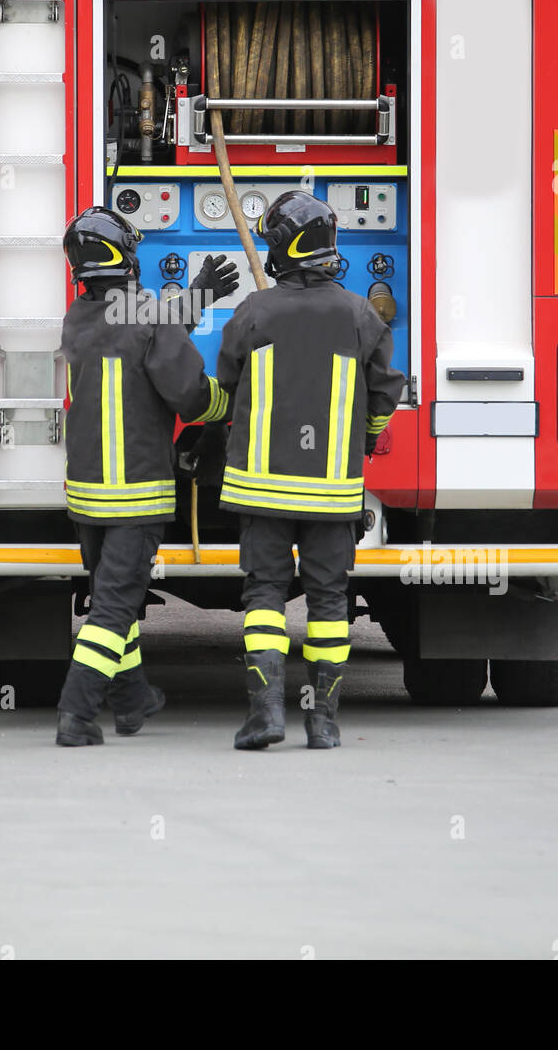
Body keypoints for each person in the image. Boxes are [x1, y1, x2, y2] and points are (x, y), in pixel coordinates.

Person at [217, 190, 405, 750]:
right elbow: (383, 396)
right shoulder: (359, 314)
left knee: (265, 596)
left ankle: (266, 715)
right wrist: (364, 447)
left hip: (261, 492)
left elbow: (225, 388)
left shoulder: (253, 311)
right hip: (332, 493)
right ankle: (323, 722)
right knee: (329, 601)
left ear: (283, 250)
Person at [55, 206, 238, 746]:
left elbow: (135, 328)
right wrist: (226, 406)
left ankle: (132, 698)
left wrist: (194, 301)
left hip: (87, 499)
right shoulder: (145, 315)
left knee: (117, 600)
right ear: (127, 256)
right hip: (135, 498)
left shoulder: (78, 317)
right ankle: (76, 711)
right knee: (114, 606)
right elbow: (186, 391)